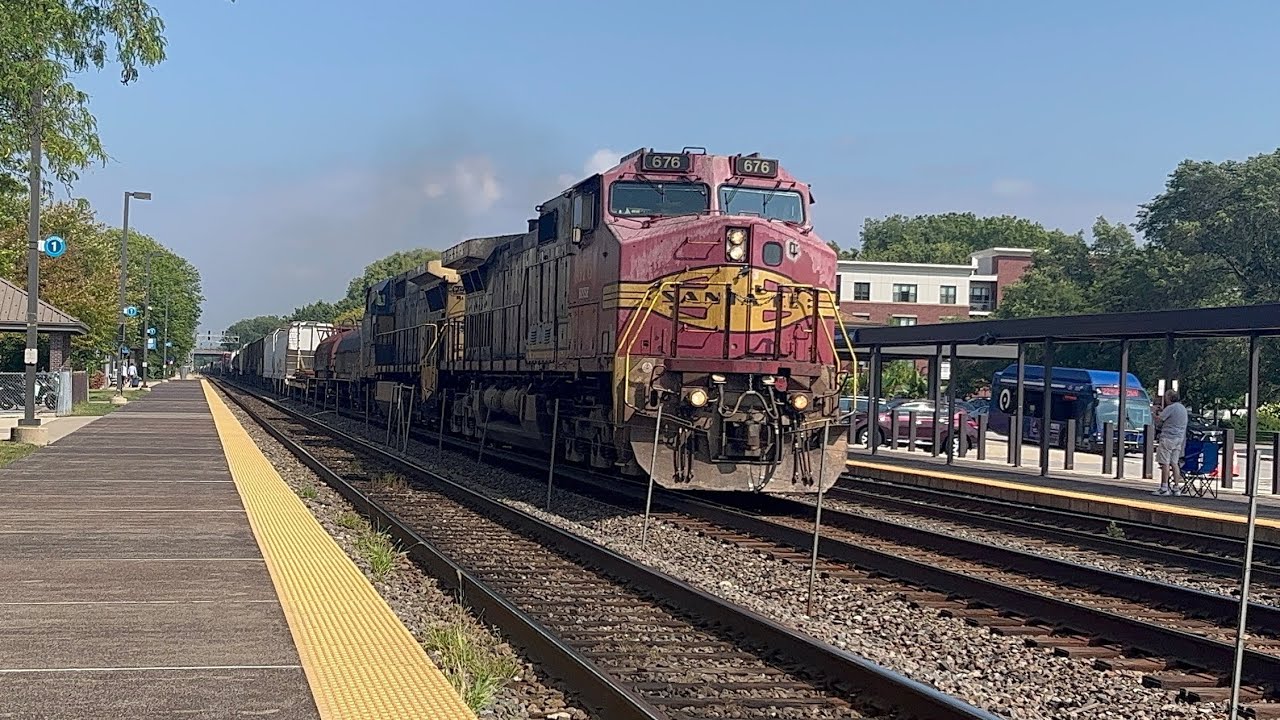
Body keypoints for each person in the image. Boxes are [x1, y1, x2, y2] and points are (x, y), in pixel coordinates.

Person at [1153, 389, 1188, 496]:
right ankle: (1176, 488)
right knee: (1174, 462)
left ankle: (1164, 487)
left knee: (1165, 463)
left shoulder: (1171, 408)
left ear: (1169, 398)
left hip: (1168, 438)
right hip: (1179, 439)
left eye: (1166, 397)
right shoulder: (1182, 408)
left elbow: (1159, 420)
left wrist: (1153, 412)